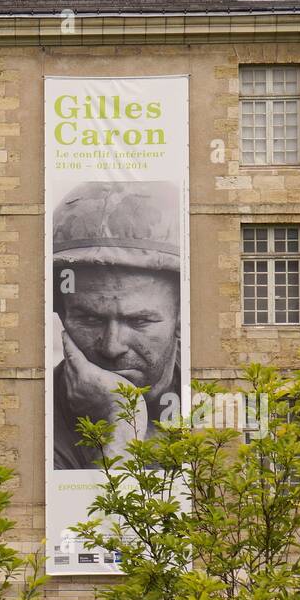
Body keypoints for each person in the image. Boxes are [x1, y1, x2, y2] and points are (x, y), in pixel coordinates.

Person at [52, 180, 181, 469]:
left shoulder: (213, 401)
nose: (111, 347)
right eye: (89, 319)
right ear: (62, 313)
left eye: (139, 321)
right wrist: (120, 421)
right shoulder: (38, 418)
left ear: (181, 318)